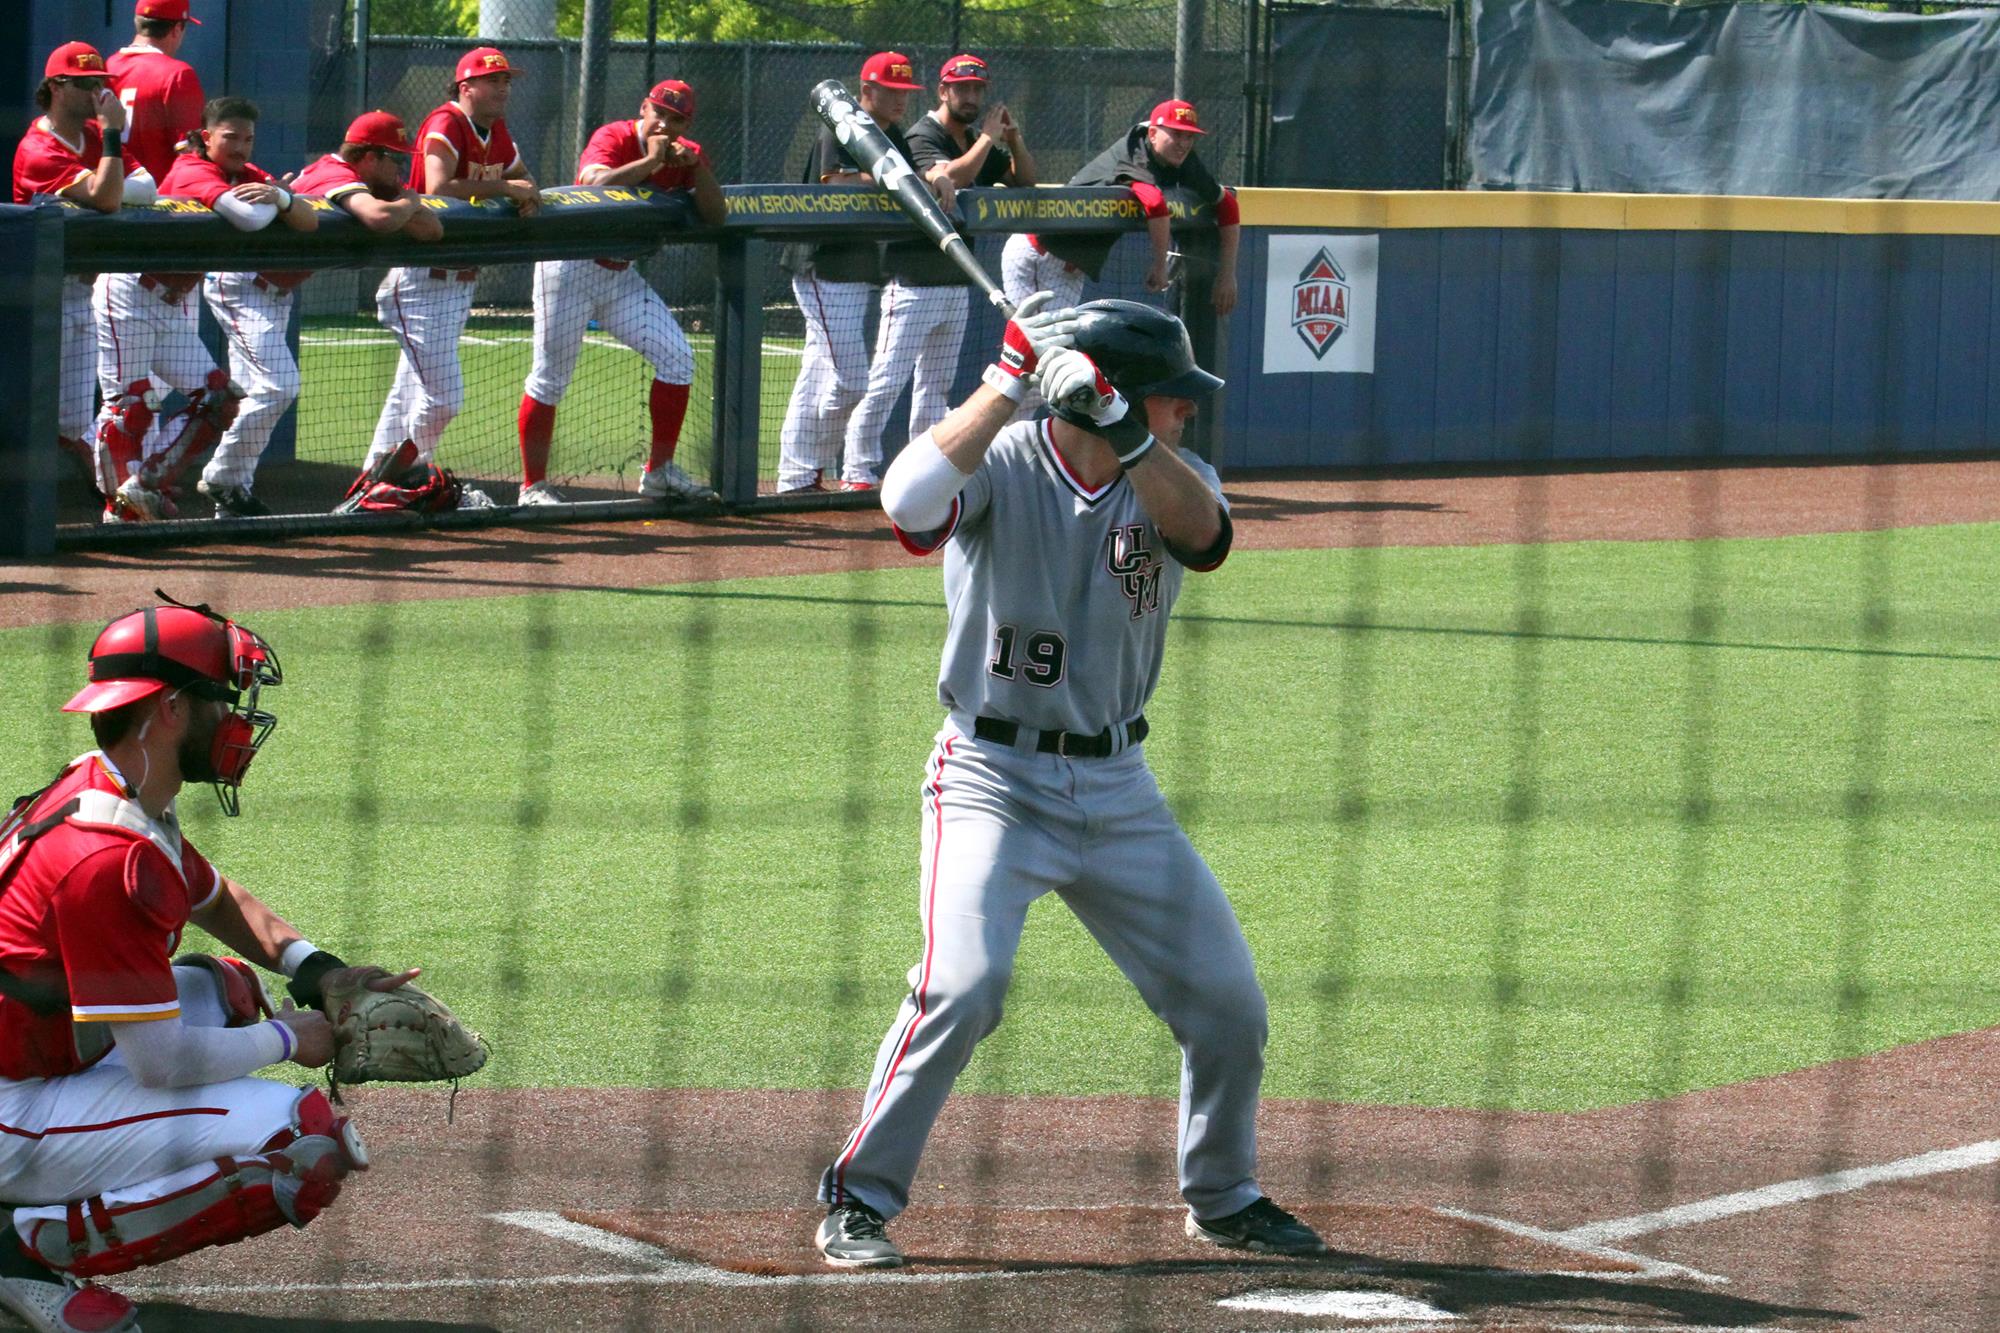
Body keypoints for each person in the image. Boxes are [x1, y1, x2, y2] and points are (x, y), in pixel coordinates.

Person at [815, 296, 1325, 1269]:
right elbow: (904, 507)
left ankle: (1222, 1196)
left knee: (1226, 1003)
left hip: (1118, 788)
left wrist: (1128, 431)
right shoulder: (1000, 461)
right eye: (1171, 398)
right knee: (962, 987)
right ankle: (856, 1197)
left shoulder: (1169, 474)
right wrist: (1003, 379)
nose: (1186, 413)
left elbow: (1207, 539)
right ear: (1115, 392)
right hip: (990, 779)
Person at [0, 596, 413, 1332]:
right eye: (220, 700)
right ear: (166, 710)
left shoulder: (115, 791)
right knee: (306, 1140)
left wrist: (319, 970)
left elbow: (218, 900)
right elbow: (159, 1061)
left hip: (36, 1059)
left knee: (227, 988)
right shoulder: (103, 858)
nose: (236, 720)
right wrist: (294, 1038)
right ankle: (19, 1249)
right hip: (13, 1109)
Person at [342, 45, 539, 510]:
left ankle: (369, 493)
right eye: (494, 80)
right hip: (420, 281)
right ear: (466, 86)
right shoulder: (446, 122)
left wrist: (526, 193)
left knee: (405, 396)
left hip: (458, 282)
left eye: (507, 80)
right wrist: (505, 188)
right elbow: (438, 187)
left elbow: (522, 176)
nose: (504, 88)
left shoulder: (497, 131)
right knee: (445, 399)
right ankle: (407, 476)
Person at [515, 78, 724, 506]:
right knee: (551, 378)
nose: (664, 125)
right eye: (659, 114)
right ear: (643, 109)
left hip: (620, 277)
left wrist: (697, 169)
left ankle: (659, 473)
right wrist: (651, 162)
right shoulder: (613, 136)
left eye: (676, 120)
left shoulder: (687, 154)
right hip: (569, 266)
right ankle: (532, 487)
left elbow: (717, 216)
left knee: (678, 359)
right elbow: (596, 186)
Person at [838, 54, 1038, 491]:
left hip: (954, 280)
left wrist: (1013, 138)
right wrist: (986, 139)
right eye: (961, 88)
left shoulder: (971, 137)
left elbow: (1026, 181)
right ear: (942, 91)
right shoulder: (922, 133)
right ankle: (856, 469)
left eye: (977, 89)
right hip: (911, 278)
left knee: (935, 387)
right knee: (887, 380)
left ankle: (926, 470)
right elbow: (950, 176)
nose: (970, 96)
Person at [775, 51, 953, 494]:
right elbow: (835, 183)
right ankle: (812, 459)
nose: (900, 101)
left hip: (857, 269)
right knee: (852, 379)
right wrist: (895, 178)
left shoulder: (890, 132)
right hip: (821, 263)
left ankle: (796, 476)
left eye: (905, 93)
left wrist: (933, 174)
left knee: (815, 373)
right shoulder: (842, 125)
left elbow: (918, 170)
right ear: (866, 91)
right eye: (891, 91)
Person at [1001, 100, 1242, 407]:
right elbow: (1154, 203)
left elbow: (1228, 204)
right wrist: (1158, 266)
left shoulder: (1184, 160)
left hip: (1066, 265)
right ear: (1153, 133)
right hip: (1033, 251)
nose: (1183, 143)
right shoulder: (1136, 153)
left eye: (1189, 136)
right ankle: (1002, 439)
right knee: (1040, 355)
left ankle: (1018, 437)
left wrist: (1227, 274)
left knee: (1049, 359)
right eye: (1175, 134)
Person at [159, 97, 318, 519]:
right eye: (231, 137)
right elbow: (249, 218)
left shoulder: (245, 174)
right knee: (280, 385)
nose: (241, 146)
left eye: (248, 138)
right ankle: (219, 477)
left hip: (190, 296)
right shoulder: (193, 168)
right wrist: (280, 199)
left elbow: (309, 220)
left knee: (246, 394)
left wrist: (283, 200)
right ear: (207, 136)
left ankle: (232, 497)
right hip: (170, 289)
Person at [12, 42, 156, 491]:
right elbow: (109, 197)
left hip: (79, 292)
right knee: (25, 412)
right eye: (87, 84)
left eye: (102, 84)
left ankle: (108, 497)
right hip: (34, 297)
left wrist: (105, 179)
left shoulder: (91, 139)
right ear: (57, 86)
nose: (99, 94)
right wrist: (114, 141)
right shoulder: (39, 148)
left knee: (72, 420)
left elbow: (147, 186)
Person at [105, 0, 205, 187]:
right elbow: (191, 155)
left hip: (107, 197)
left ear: (138, 22)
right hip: (158, 205)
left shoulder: (106, 68)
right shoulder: (177, 74)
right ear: (176, 29)